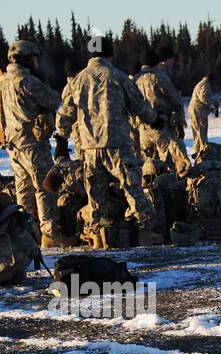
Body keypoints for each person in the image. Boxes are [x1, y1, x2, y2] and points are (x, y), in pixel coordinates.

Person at [55, 36, 164, 247]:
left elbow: (66, 111)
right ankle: (147, 232)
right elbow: (139, 105)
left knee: (95, 192)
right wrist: (154, 119)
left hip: (89, 146)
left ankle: (98, 235)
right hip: (117, 144)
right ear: (109, 53)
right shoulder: (117, 76)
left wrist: (62, 136)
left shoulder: (78, 80)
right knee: (131, 186)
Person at [0, 39, 72, 247]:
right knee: (44, 187)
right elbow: (55, 101)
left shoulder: (1, 81)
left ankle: (27, 233)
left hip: (13, 144)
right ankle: (50, 234)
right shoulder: (27, 81)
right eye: (35, 58)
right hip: (32, 144)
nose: (38, 62)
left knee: (23, 190)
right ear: (28, 59)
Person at [136, 49, 189, 174]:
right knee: (167, 162)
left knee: (149, 165)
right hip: (160, 125)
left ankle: (150, 189)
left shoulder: (136, 80)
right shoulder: (158, 77)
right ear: (155, 63)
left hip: (143, 128)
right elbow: (176, 100)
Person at [189, 71, 221, 156]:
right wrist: (214, 102)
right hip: (197, 112)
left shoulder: (202, 83)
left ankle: (198, 152)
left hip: (196, 111)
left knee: (198, 134)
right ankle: (202, 154)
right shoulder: (205, 85)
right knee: (201, 133)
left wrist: (212, 110)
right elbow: (203, 99)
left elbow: (201, 102)